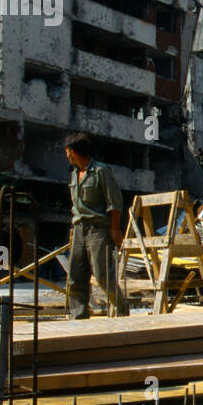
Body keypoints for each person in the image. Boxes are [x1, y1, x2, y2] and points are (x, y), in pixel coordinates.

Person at [64, 132, 128, 319]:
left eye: (67, 152)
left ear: (73, 152)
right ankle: (79, 317)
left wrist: (115, 229)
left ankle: (122, 309)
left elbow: (114, 202)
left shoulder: (101, 171)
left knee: (102, 276)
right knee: (75, 277)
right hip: (79, 230)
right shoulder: (75, 174)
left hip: (98, 230)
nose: (66, 156)